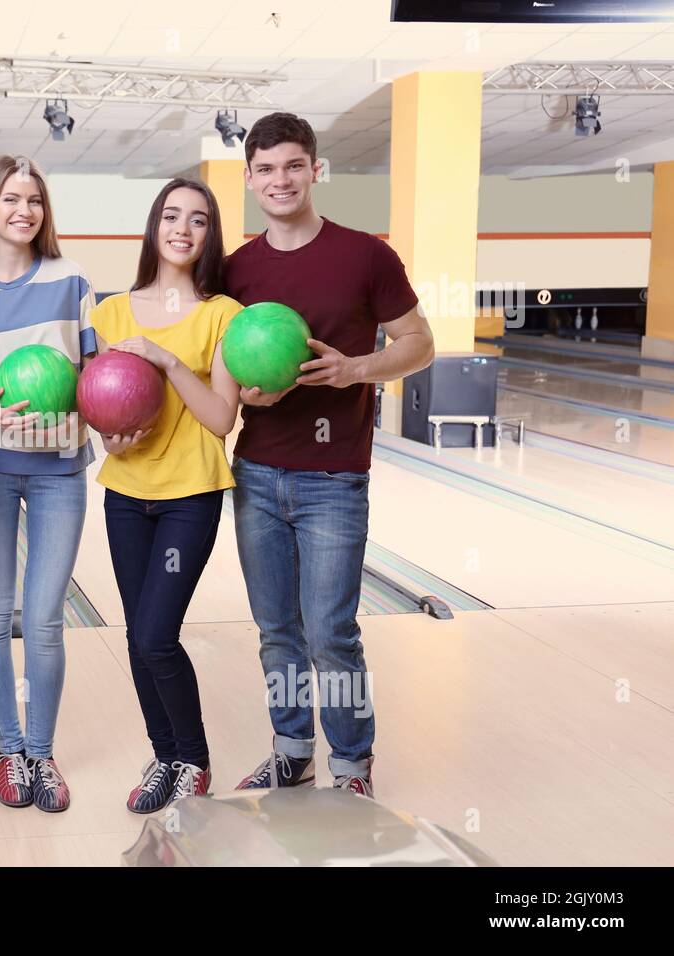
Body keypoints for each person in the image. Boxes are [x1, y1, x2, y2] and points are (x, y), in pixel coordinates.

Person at [226, 112, 434, 798]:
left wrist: (356, 370)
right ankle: (292, 749)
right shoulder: (238, 269)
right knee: (276, 629)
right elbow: (227, 369)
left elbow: (419, 343)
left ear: (316, 169)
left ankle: (351, 765)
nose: (279, 179)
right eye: (265, 169)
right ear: (250, 178)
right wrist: (246, 399)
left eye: (292, 165)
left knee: (331, 633)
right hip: (257, 473)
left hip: (334, 478)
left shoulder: (366, 256)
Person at [0, 155, 96, 813]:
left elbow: (94, 375)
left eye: (34, 200)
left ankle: (42, 751)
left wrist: (113, 420)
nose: (24, 211)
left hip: (61, 466)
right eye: (11, 199)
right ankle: (8, 751)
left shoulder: (72, 281)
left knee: (44, 618)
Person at [89, 179, 242, 814]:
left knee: (156, 636)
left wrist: (167, 359)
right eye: (172, 215)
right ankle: (165, 756)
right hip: (126, 493)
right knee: (136, 636)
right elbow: (108, 410)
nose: (183, 228)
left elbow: (221, 417)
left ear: (209, 236)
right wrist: (113, 443)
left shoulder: (221, 315)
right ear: (154, 226)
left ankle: (195, 760)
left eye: (198, 220)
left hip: (189, 495)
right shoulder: (111, 313)